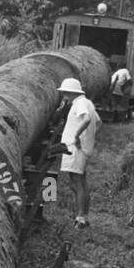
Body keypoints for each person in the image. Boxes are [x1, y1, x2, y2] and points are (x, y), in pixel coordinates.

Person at [53, 77, 100, 229]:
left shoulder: (79, 103)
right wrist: (89, 138)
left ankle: (80, 218)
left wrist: (77, 137)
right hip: (82, 148)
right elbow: (98, 122)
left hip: (75, 148)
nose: (64, 95)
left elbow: (86, 120)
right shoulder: (88, 103)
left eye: (65, 92)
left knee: (76, 182)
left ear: (70, 92)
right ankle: (84, 215)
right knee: (81, 182)